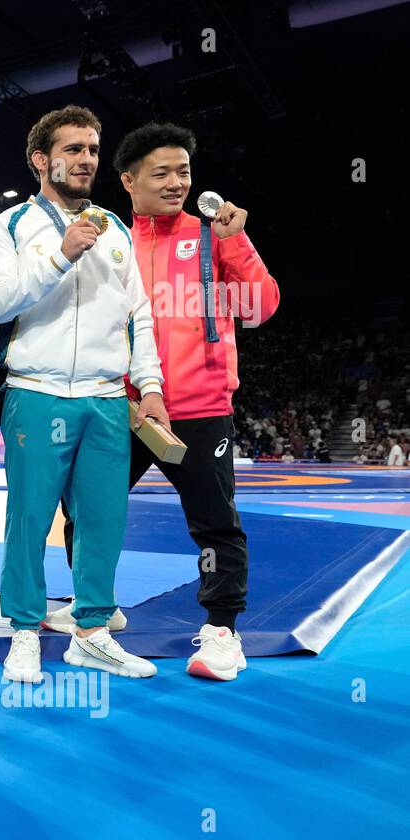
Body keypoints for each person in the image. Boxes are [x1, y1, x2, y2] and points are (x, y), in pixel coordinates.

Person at [54, 122, 281, 682]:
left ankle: (223, 632)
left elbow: (261, 306)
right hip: (124, 408)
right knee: (85, 513)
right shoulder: (111, 239)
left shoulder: (212, 234)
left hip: (201, 408)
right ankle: (98, 608)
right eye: (162, 173)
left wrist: (235, 241)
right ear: (129, 181)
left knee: (214, 523)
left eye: (184, 171)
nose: (177, 182)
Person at [0, 105, 168, 684]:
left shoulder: (117, 227)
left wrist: (152, 386)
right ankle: (24, 635)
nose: (87, 160)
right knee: (29, 519)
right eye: (74, 150)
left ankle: (91, 633)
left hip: (108, 399)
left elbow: (139, 313)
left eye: (92, 149)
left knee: (104, 520)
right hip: (36, 393)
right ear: (42, 160)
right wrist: (62, 254)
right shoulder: (7, 227)